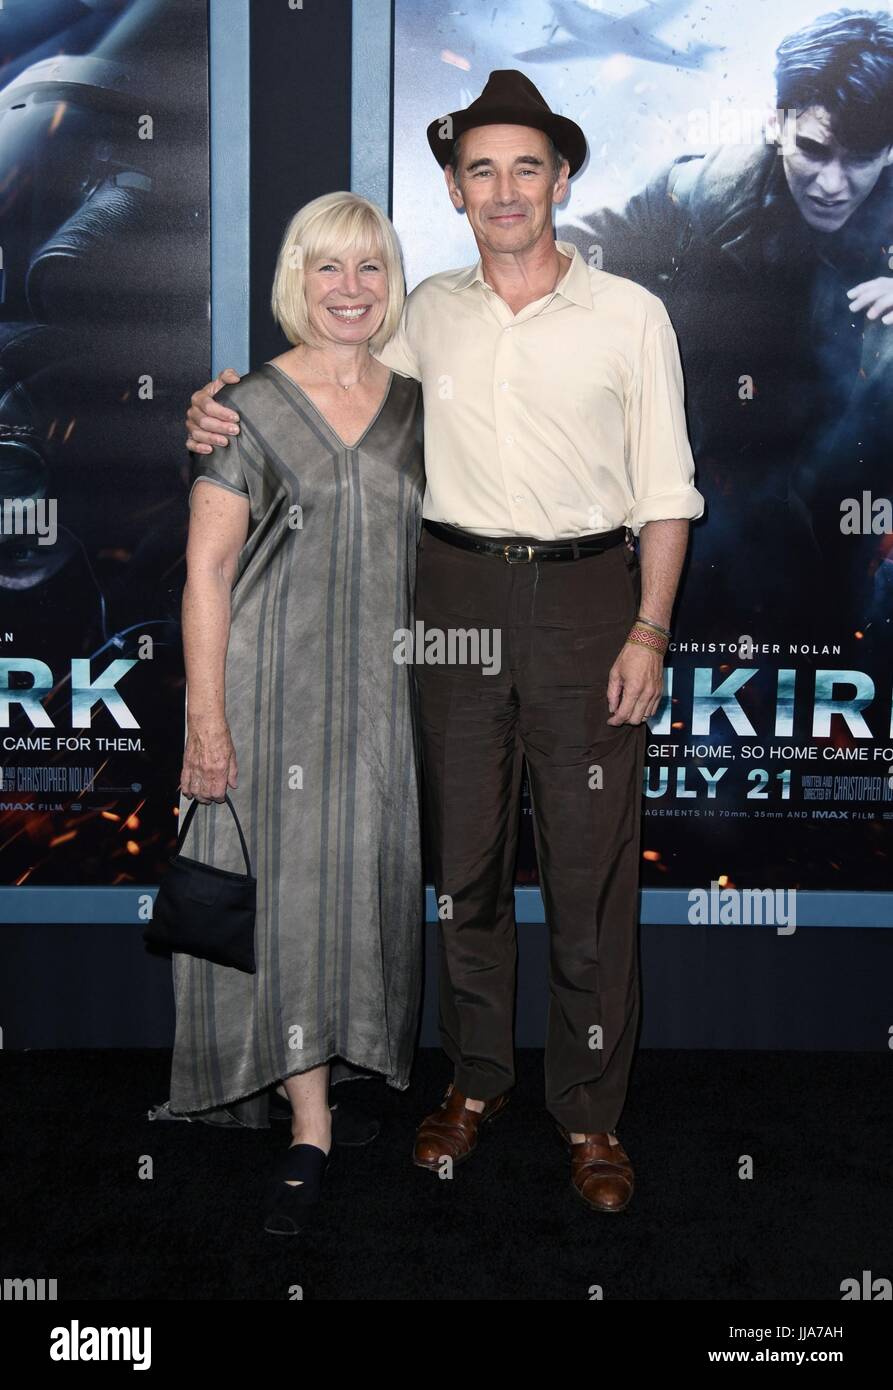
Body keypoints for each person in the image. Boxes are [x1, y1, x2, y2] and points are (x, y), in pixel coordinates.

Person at [187, 71, 704, 1213]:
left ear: (561, 179)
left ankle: (591, 1116)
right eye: (481, 170)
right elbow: (336, 390)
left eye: (526, 167)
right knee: (462, 869)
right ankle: (473, 1085)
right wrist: (224, 405)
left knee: (587, 874)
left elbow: (666, 492)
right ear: (456, 189)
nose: (505, 189)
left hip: (587, 601)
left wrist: (648, 630)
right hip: (453, 597)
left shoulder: (630, 316)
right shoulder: (421, 311)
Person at [170, 190, 425, 1235]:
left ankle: (312, 1074)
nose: (350, 289)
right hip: (271, 692)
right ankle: (308, 1123)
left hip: (383, 702)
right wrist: (207, 721)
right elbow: (206, 567)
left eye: (368, 268)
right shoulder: (247, 405)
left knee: (358, 889)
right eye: (328, 268)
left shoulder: (416, 404)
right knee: (291, 898)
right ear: (296, 280)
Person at [558, 9, 893, 643]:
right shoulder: (700, 194)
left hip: (850, 489)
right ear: (777, 123)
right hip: (720, 485)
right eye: (815, 150)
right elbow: (578, 251)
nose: (832, 184)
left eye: (862, 159)